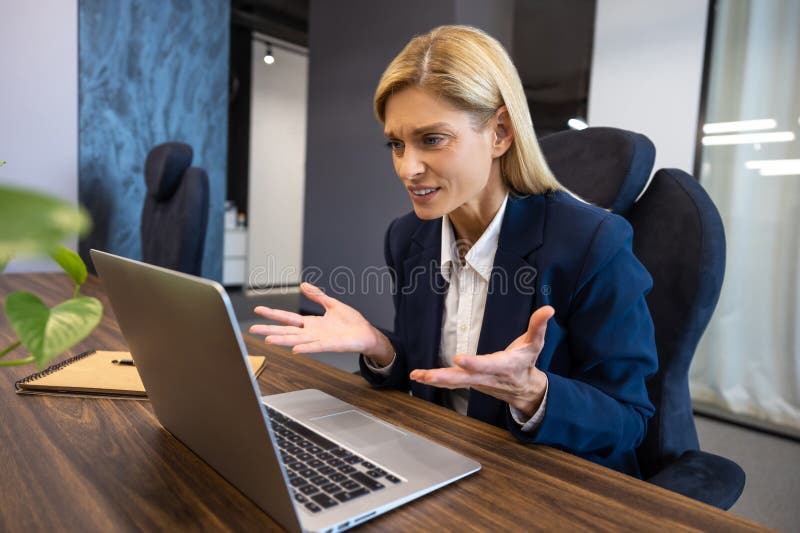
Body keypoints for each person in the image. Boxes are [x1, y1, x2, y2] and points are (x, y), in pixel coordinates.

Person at [250, 25, 658, 478]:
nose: (408, 167)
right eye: (396, 144)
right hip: (437, 458)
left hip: (545, 479)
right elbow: (426, 371)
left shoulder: (594, 243)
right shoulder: (408, 238)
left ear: (500, 132)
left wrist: (532, 392)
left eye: (433, 139)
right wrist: (380, 347)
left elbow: (629, 420)